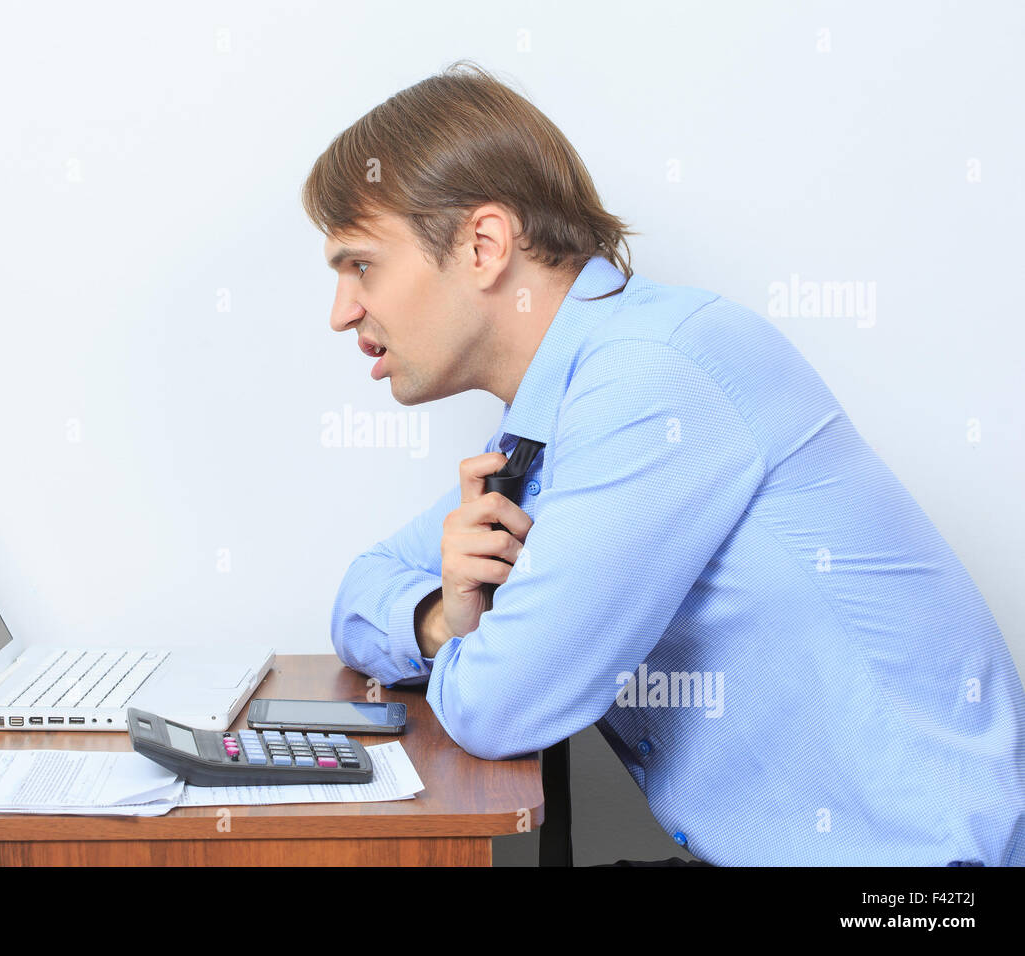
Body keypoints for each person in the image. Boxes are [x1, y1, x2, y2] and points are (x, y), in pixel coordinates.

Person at [301, 60, 1025, 866]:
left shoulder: (652, 380)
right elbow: (361, 592)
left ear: (482, 244)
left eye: (360, 264)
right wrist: (445, 615)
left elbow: (497, 706)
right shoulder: (556, 415)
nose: (342, 313)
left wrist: (473, 641)